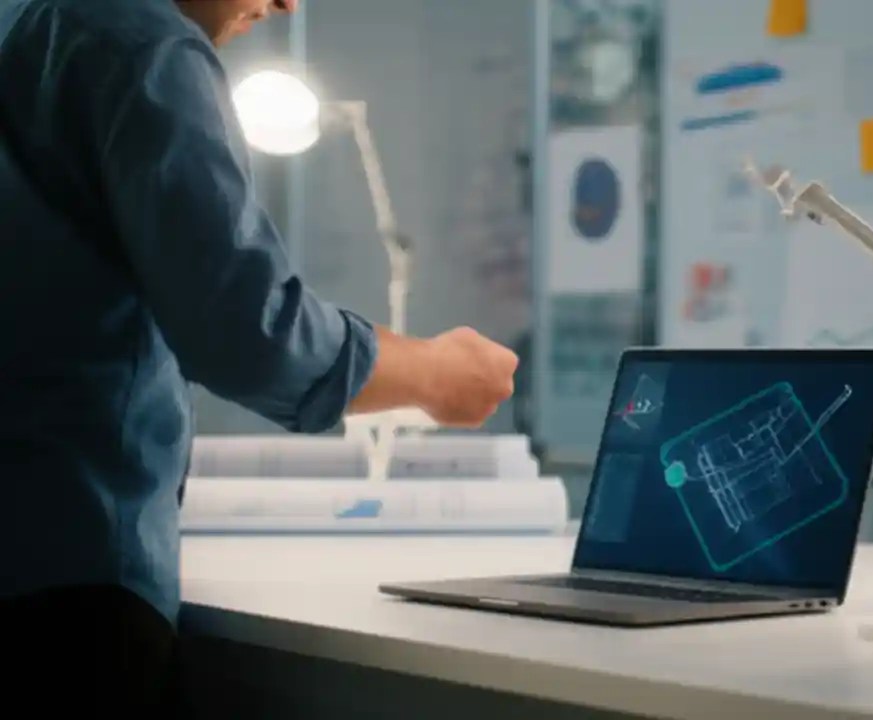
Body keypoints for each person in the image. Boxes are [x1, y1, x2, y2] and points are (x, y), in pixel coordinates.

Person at [0, 0, 519, 710]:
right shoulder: (143, 48)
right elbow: (248, 332)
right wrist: (431, 374)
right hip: (70, 582)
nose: (287, 4)